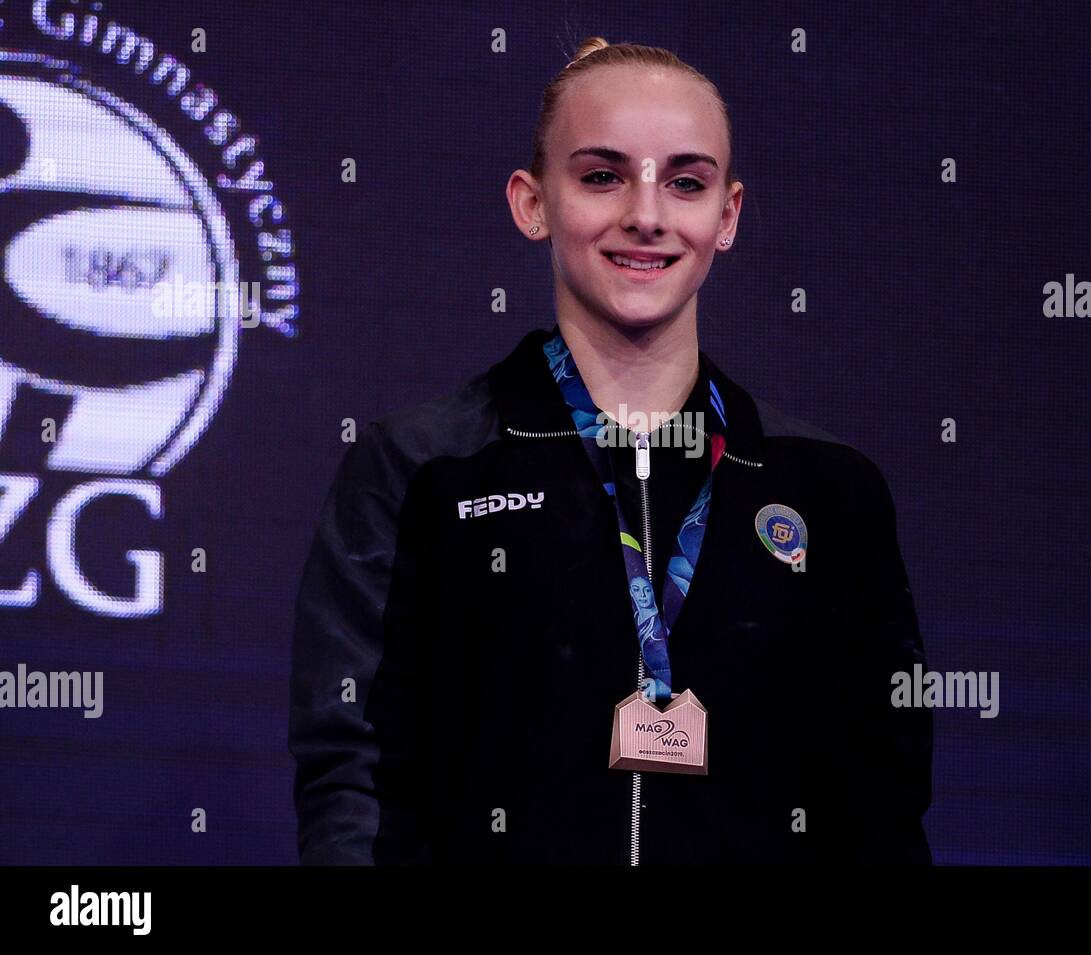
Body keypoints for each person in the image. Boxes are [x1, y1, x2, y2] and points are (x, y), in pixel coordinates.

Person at [289, 37, 933, 865]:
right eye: (602, 176)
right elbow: (350, 769)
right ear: (532, 203)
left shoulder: (830, 488)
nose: (647, 214)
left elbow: (882, 800)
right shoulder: (420, 467)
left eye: (687, 182)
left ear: (727, 217)